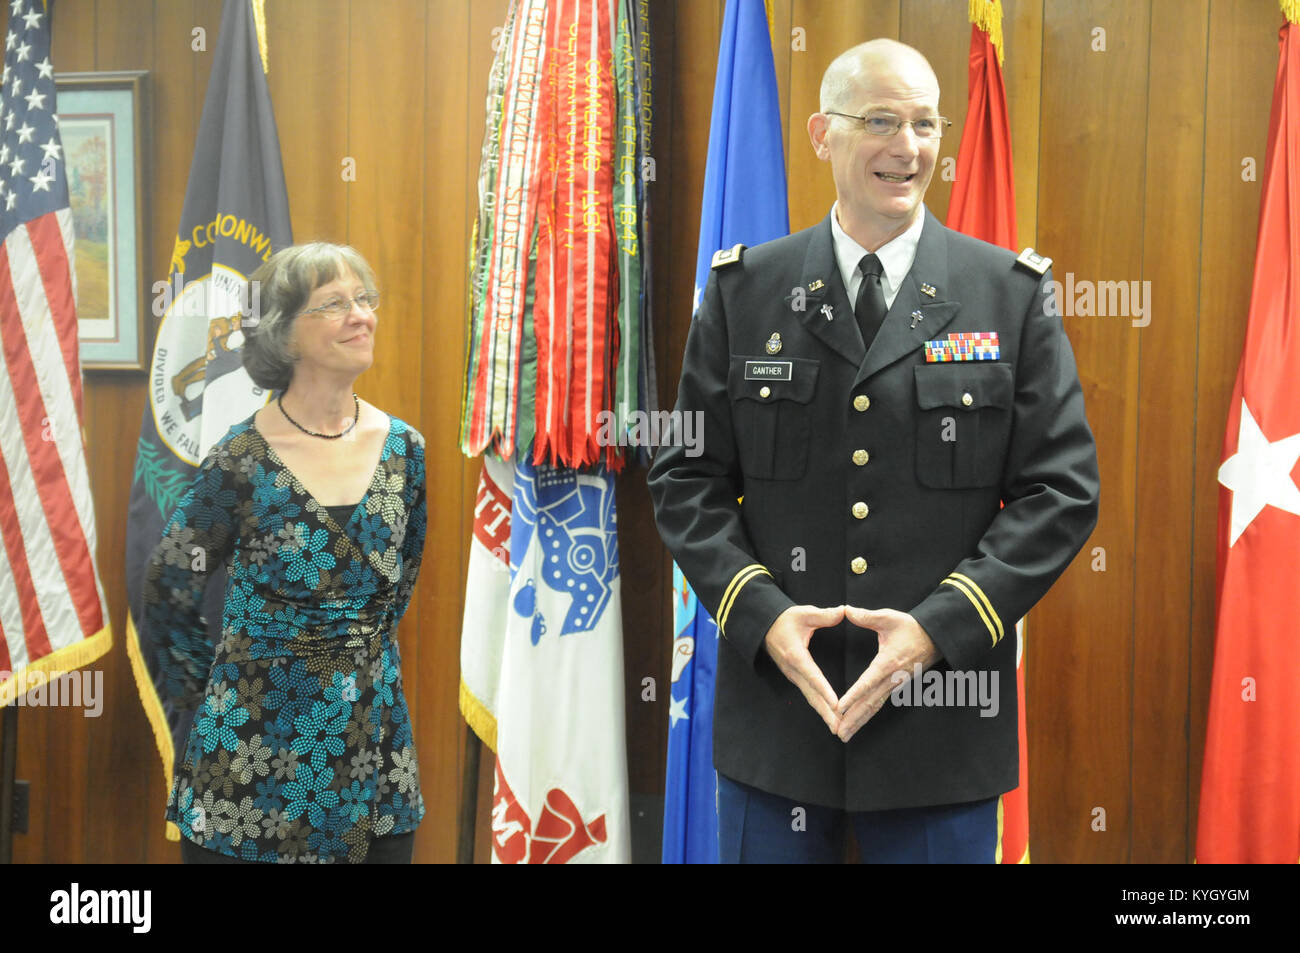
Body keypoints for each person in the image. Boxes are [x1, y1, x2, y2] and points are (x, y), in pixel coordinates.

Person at [647, 39, 1100, 863]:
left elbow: (1061, 491)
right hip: (779, 721)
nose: (911, 146)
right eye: (882, 120)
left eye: (926, 124)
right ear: (822, 132)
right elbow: (686, 474)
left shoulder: (1008, 295)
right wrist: (761, 614)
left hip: (940, 729)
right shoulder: (746, 291)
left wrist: (938, 629)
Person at [141, 242, 428, 864]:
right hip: (251, 769)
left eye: (365, 299)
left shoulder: (406, 449)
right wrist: (219, 695)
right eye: (334, 303)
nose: (362, 316)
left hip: (373, 763)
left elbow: (399, 585)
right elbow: (168, 586)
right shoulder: (240, 459)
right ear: (283, 333)